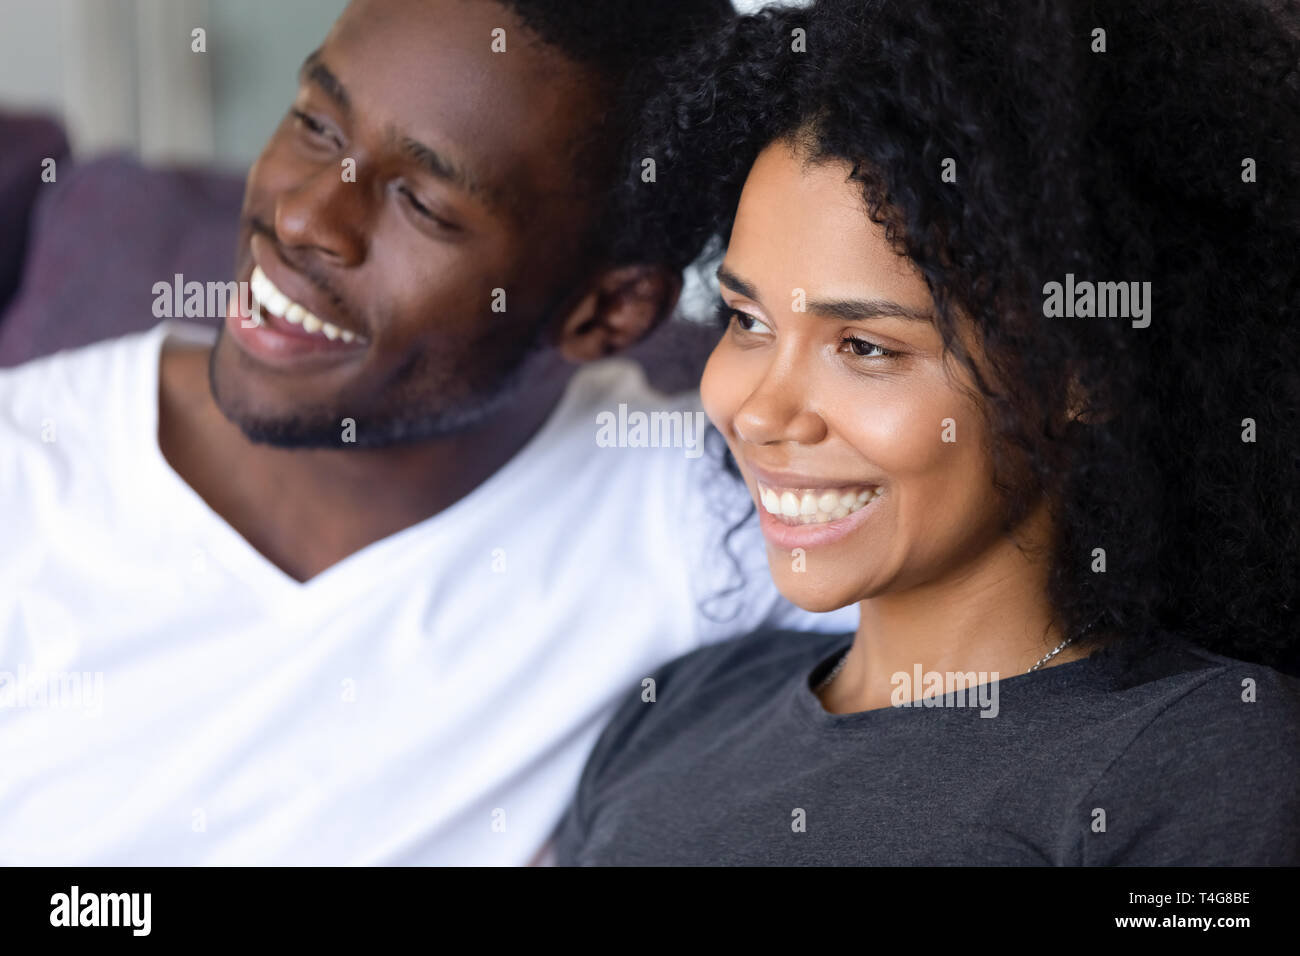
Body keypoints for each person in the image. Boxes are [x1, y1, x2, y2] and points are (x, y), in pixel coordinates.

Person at [0, 0, 856, 865]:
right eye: (315, 124)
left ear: (606, 312)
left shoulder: (695, 522)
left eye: (422, 203)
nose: (302, 219)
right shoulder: (25, 474)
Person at [555, 0, 1300, 865]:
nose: (758, 411)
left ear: (1084, 375)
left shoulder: (1202, 764)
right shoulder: (679, 709)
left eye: (864, 346)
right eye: (746, 319)